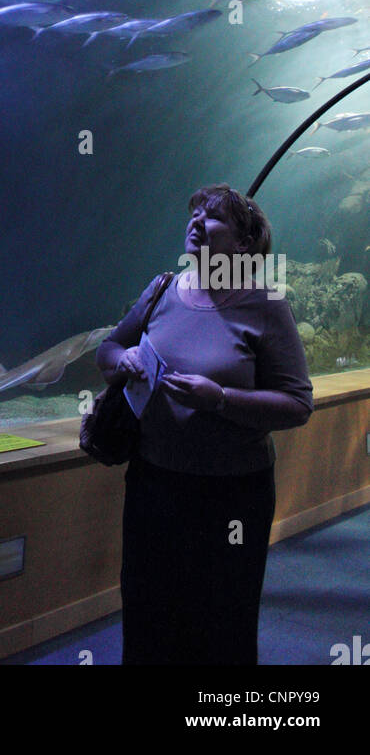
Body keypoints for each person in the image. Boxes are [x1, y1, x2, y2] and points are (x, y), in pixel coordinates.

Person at [96, 183, 313, 666]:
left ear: (243, 243)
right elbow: (106, 352)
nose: (196, 221)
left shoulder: (265, 304)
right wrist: (125, 355)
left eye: (212, 217)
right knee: (149, 610)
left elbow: (298, 403)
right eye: (194, 212)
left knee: (221, 619)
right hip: (153, 483)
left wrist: (221, 399)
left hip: (231, 493)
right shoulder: (161, 290)